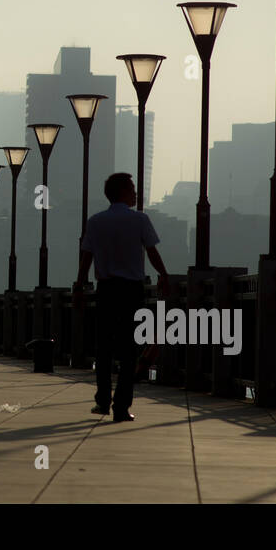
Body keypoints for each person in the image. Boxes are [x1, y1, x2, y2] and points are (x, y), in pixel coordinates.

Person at [74, 173, 170, 422]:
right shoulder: (139, 220)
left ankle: (103, 402)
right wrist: (164, 274)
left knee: (104, 348)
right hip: (131, 291)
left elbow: (86, 258)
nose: (136, 194)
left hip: (106, 290)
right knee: (129, 351)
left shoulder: (95, 222)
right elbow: (151, 252)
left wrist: (79, 286)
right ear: (124, 192)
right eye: (133, 189)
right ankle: (122, 406)